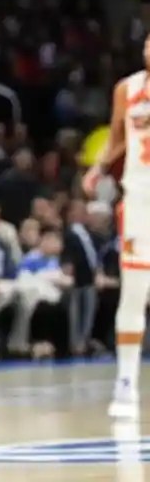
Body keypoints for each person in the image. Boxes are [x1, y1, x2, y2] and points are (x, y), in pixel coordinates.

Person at [83, 35, 150, 420]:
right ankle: (126, 383)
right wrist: (99, 167)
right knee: (134, 292)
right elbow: (116, 138)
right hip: (140, 199)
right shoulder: (127, 89)